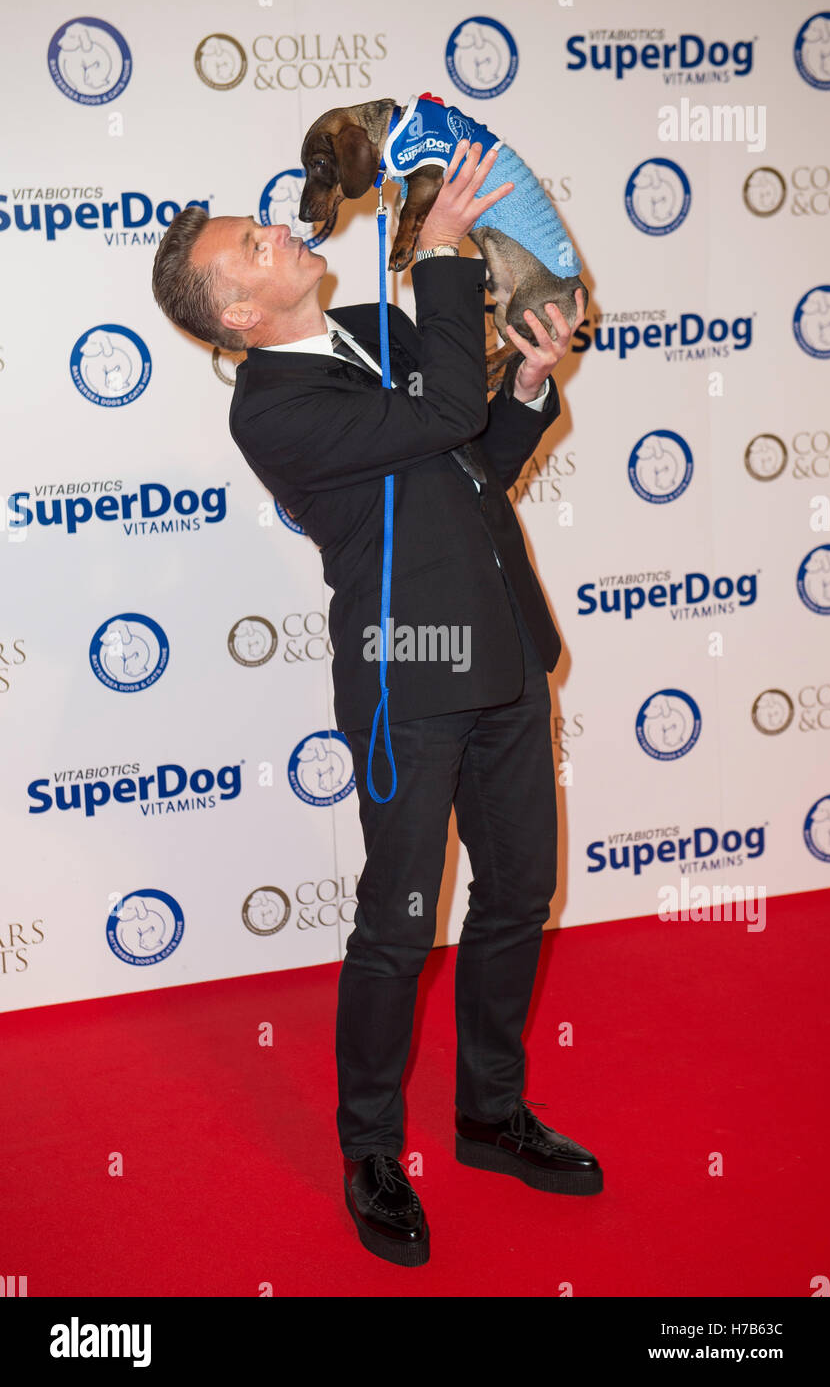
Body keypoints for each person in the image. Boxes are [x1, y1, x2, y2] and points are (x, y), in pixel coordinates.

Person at [151, 138, 602, 1269]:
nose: (280, 229)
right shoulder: (271, 410)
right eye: (253, 244)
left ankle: (489, 1116)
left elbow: (473, 460)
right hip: (410, 684)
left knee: (517, 898)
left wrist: (527, 387)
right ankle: (369, 1152)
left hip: (505, 656)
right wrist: (441, 254)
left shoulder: (382, 330)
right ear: (238, 316)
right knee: (397, 930)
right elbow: (446, 410)